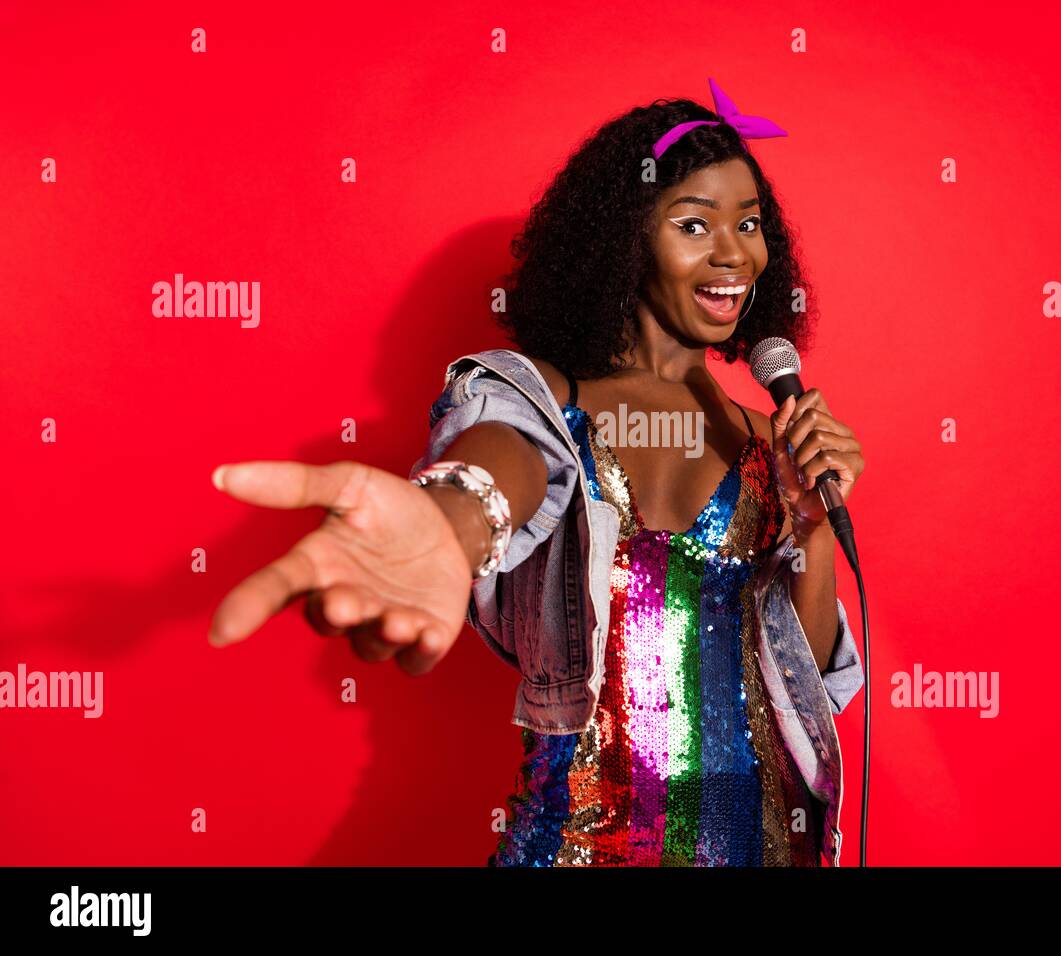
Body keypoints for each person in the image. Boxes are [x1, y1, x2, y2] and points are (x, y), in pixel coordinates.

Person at [206, 79, 867, 866]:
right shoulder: (547, 399)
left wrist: (812, 525)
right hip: (576, 849)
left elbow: (812, 686)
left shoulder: (767, 437)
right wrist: (453, 520)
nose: (734, 254)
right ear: (626, 241)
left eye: (750, 224)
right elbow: (509, 455)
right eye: (694, 224)